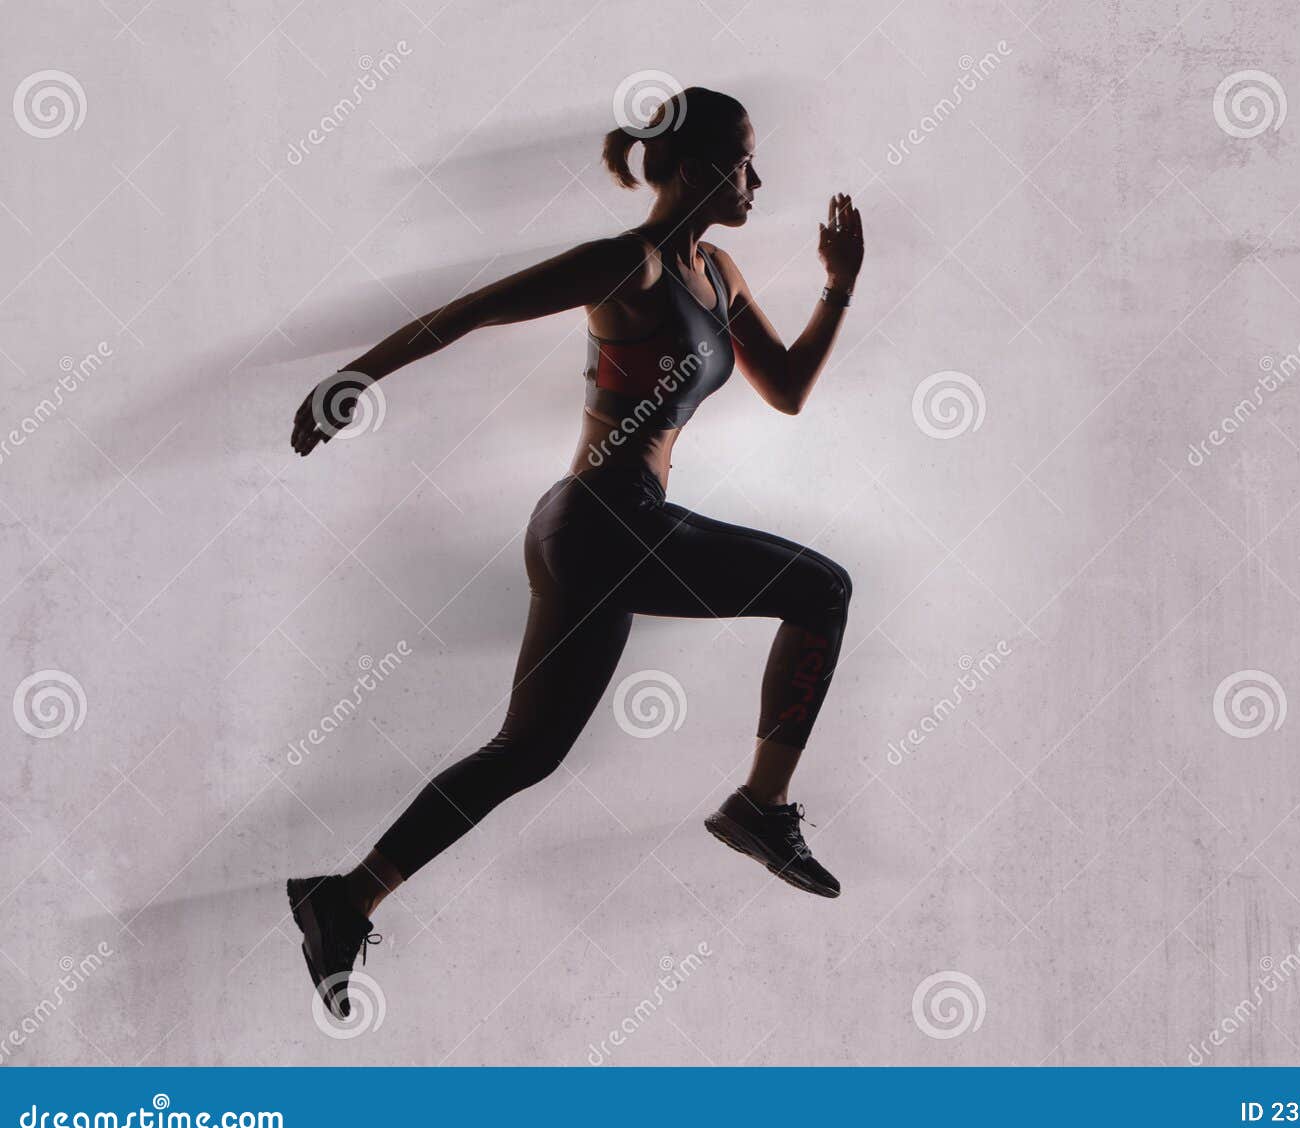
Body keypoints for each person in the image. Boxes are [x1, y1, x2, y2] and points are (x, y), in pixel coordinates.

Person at [285, 86, 865, 1019]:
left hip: (598, 534)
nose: (759, 178)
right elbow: (478, 308)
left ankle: (346, 896)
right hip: (604, 518)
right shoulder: (628, 265)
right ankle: (760, 807)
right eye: (744, 159)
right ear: (692, 167)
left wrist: (839, 285)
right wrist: (357, 376)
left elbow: (788, 388)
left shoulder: (718, 273)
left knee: (525, 752)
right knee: (821, 588)